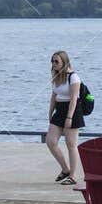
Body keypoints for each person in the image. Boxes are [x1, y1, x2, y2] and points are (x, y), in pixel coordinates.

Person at [45, 50, 83, 185]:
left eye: (57, 61)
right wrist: (50, 112)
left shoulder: (73, 77)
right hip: (59, 110)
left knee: (71, 144)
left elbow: (74, 98)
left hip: (72, 111)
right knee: (51, 141)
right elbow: (54, 96)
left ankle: (72, 176)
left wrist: (69, 117)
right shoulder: (56, 76)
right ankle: (65, 169)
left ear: (64, 62)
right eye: (52, 61)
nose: (53, 64)